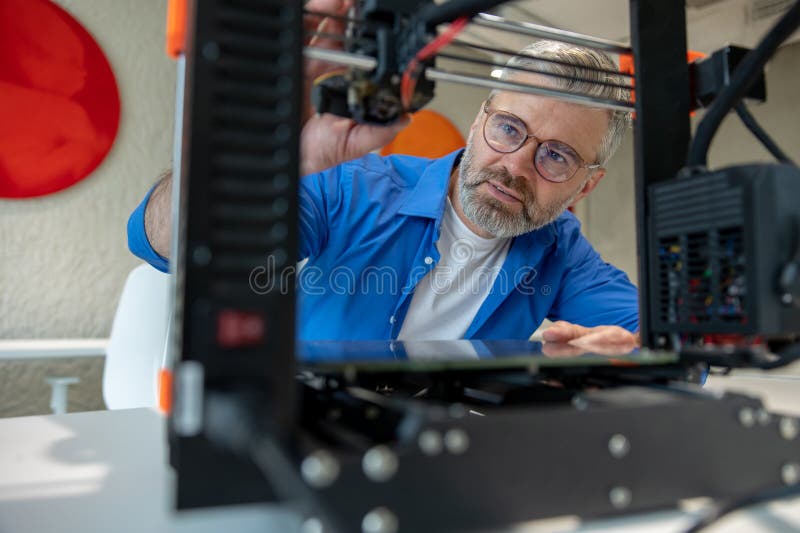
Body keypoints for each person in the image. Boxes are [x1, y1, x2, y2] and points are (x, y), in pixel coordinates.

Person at [128, 0, 639, 350]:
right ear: (481, 118)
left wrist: (626, 353)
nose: (517, 164)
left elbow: (674, 337)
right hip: (301, 436)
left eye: (557, 156)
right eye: (508, 128)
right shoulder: (355, 188)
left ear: (587, 183)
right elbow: (162, 241)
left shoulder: (560, 250)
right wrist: (268, 150)